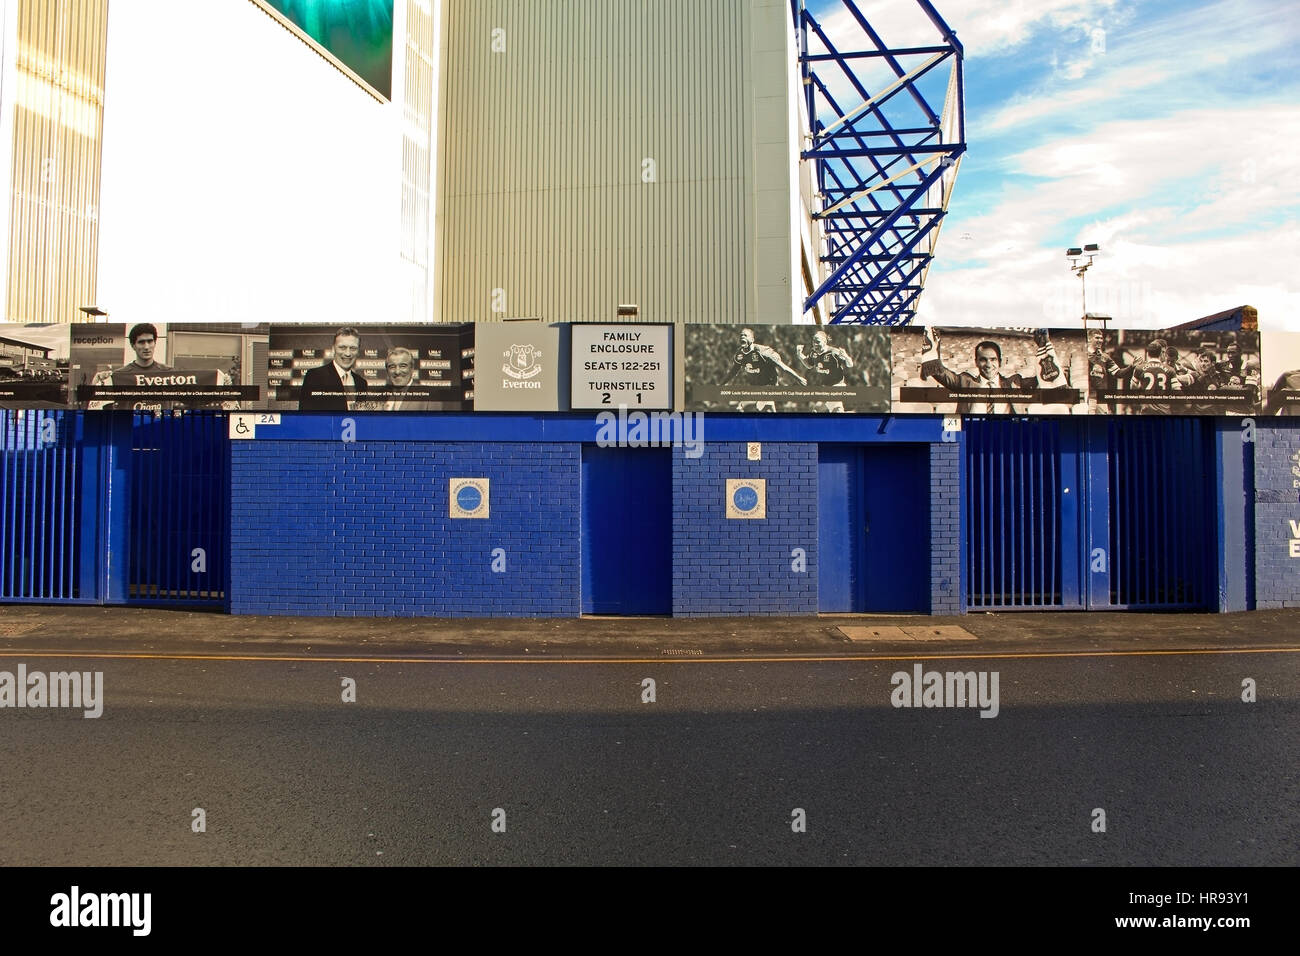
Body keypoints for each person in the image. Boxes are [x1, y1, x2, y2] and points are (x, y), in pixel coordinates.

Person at [918, 328, 1041, 415]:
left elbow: (1042, 380)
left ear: (1000, 362)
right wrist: (932, 351)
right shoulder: (965, 382)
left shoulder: (1015, 383)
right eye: (983, 360)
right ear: (976, 362)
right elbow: (939, 372)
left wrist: (1044, 346)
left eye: (993, 360)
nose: (988, 365)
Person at [719, 328, 806, 412]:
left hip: (770, 385)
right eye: (741, 335)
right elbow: (733, 372)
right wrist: (721, 385)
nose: (742, 337)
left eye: (745, 335)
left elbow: (783, 367)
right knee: (768, 410)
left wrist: (798, 378)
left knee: (745, 407)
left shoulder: (762, 352)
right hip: (757, 386)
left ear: (752, 339)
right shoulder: (739, 354)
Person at [298, 327, 368, 411]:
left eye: (353, 348)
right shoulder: (315, 376)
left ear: (358, 352)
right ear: (333, 349)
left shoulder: (362, 383)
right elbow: (306, 416)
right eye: (342, 347)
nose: (348, 353)